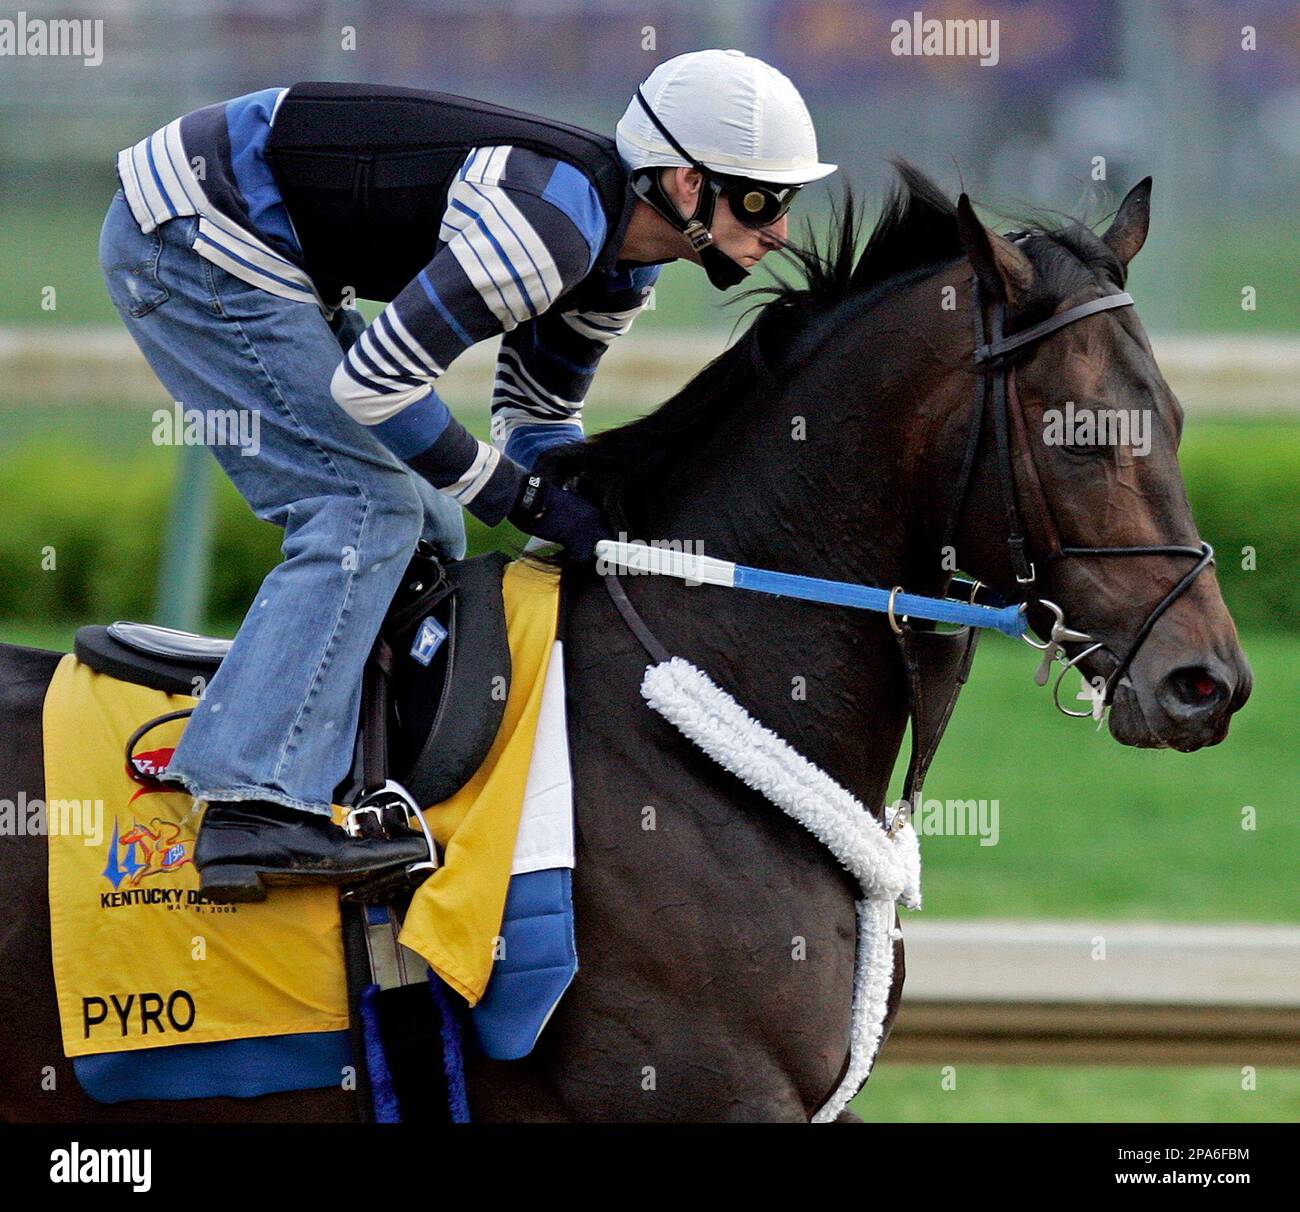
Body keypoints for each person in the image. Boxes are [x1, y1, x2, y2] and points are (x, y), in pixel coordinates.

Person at [99, 48, 836, 902]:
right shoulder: (547, 233)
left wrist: (604, 515)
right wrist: (524, 501)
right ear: (681, 183)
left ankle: (350, 777)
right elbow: (376, 382)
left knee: (430, 526)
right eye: (761, 198)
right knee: (363, 510)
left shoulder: (621, 270)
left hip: (266, 243)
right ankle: (249, 800)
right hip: (192, 233)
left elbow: (533, 417)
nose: (780, 228)